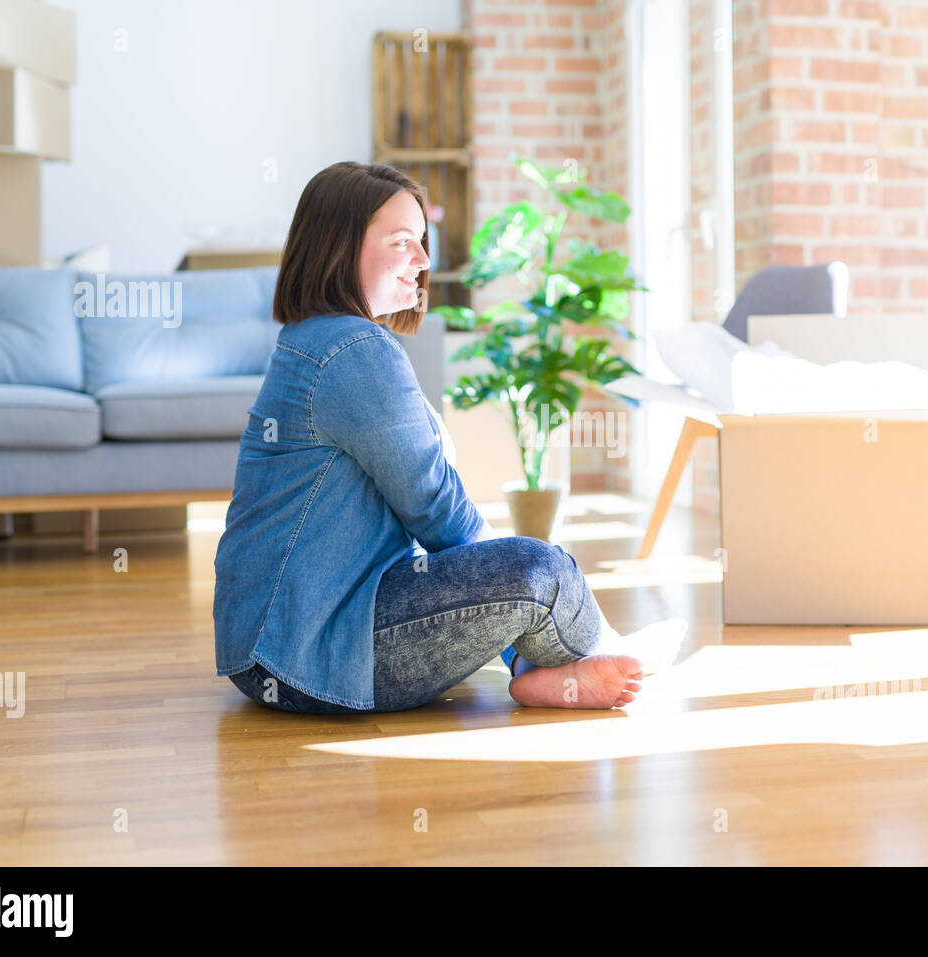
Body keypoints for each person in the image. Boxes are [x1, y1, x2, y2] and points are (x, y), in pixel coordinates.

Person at [213, 161, 685, 715]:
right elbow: (435, 507)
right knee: (543, 569)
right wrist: (517, 575)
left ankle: (548, 671)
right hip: (313, 650)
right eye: (402, 241)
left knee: (516, 566)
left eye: (422, 241)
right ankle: (599, 655)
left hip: (272, 648)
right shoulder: (353, 349)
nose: (423, 261)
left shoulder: (315, 339)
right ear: (339, 247)